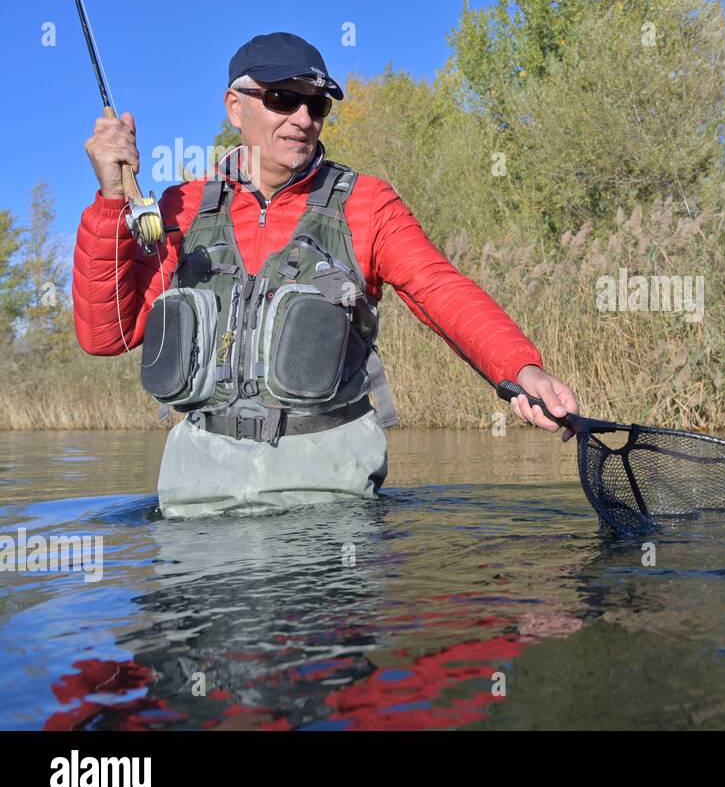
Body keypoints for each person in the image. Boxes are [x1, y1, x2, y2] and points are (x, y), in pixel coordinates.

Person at [73, 32, 577, 517]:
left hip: (327, 491)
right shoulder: (177, 208)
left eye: (317, 106)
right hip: (196, 491)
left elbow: (441, 290)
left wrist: (520, 368)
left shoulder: (368, 203)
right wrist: (113, 199)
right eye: (282, 98)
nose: (302, 118)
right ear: (234, 106)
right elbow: (105, 335)